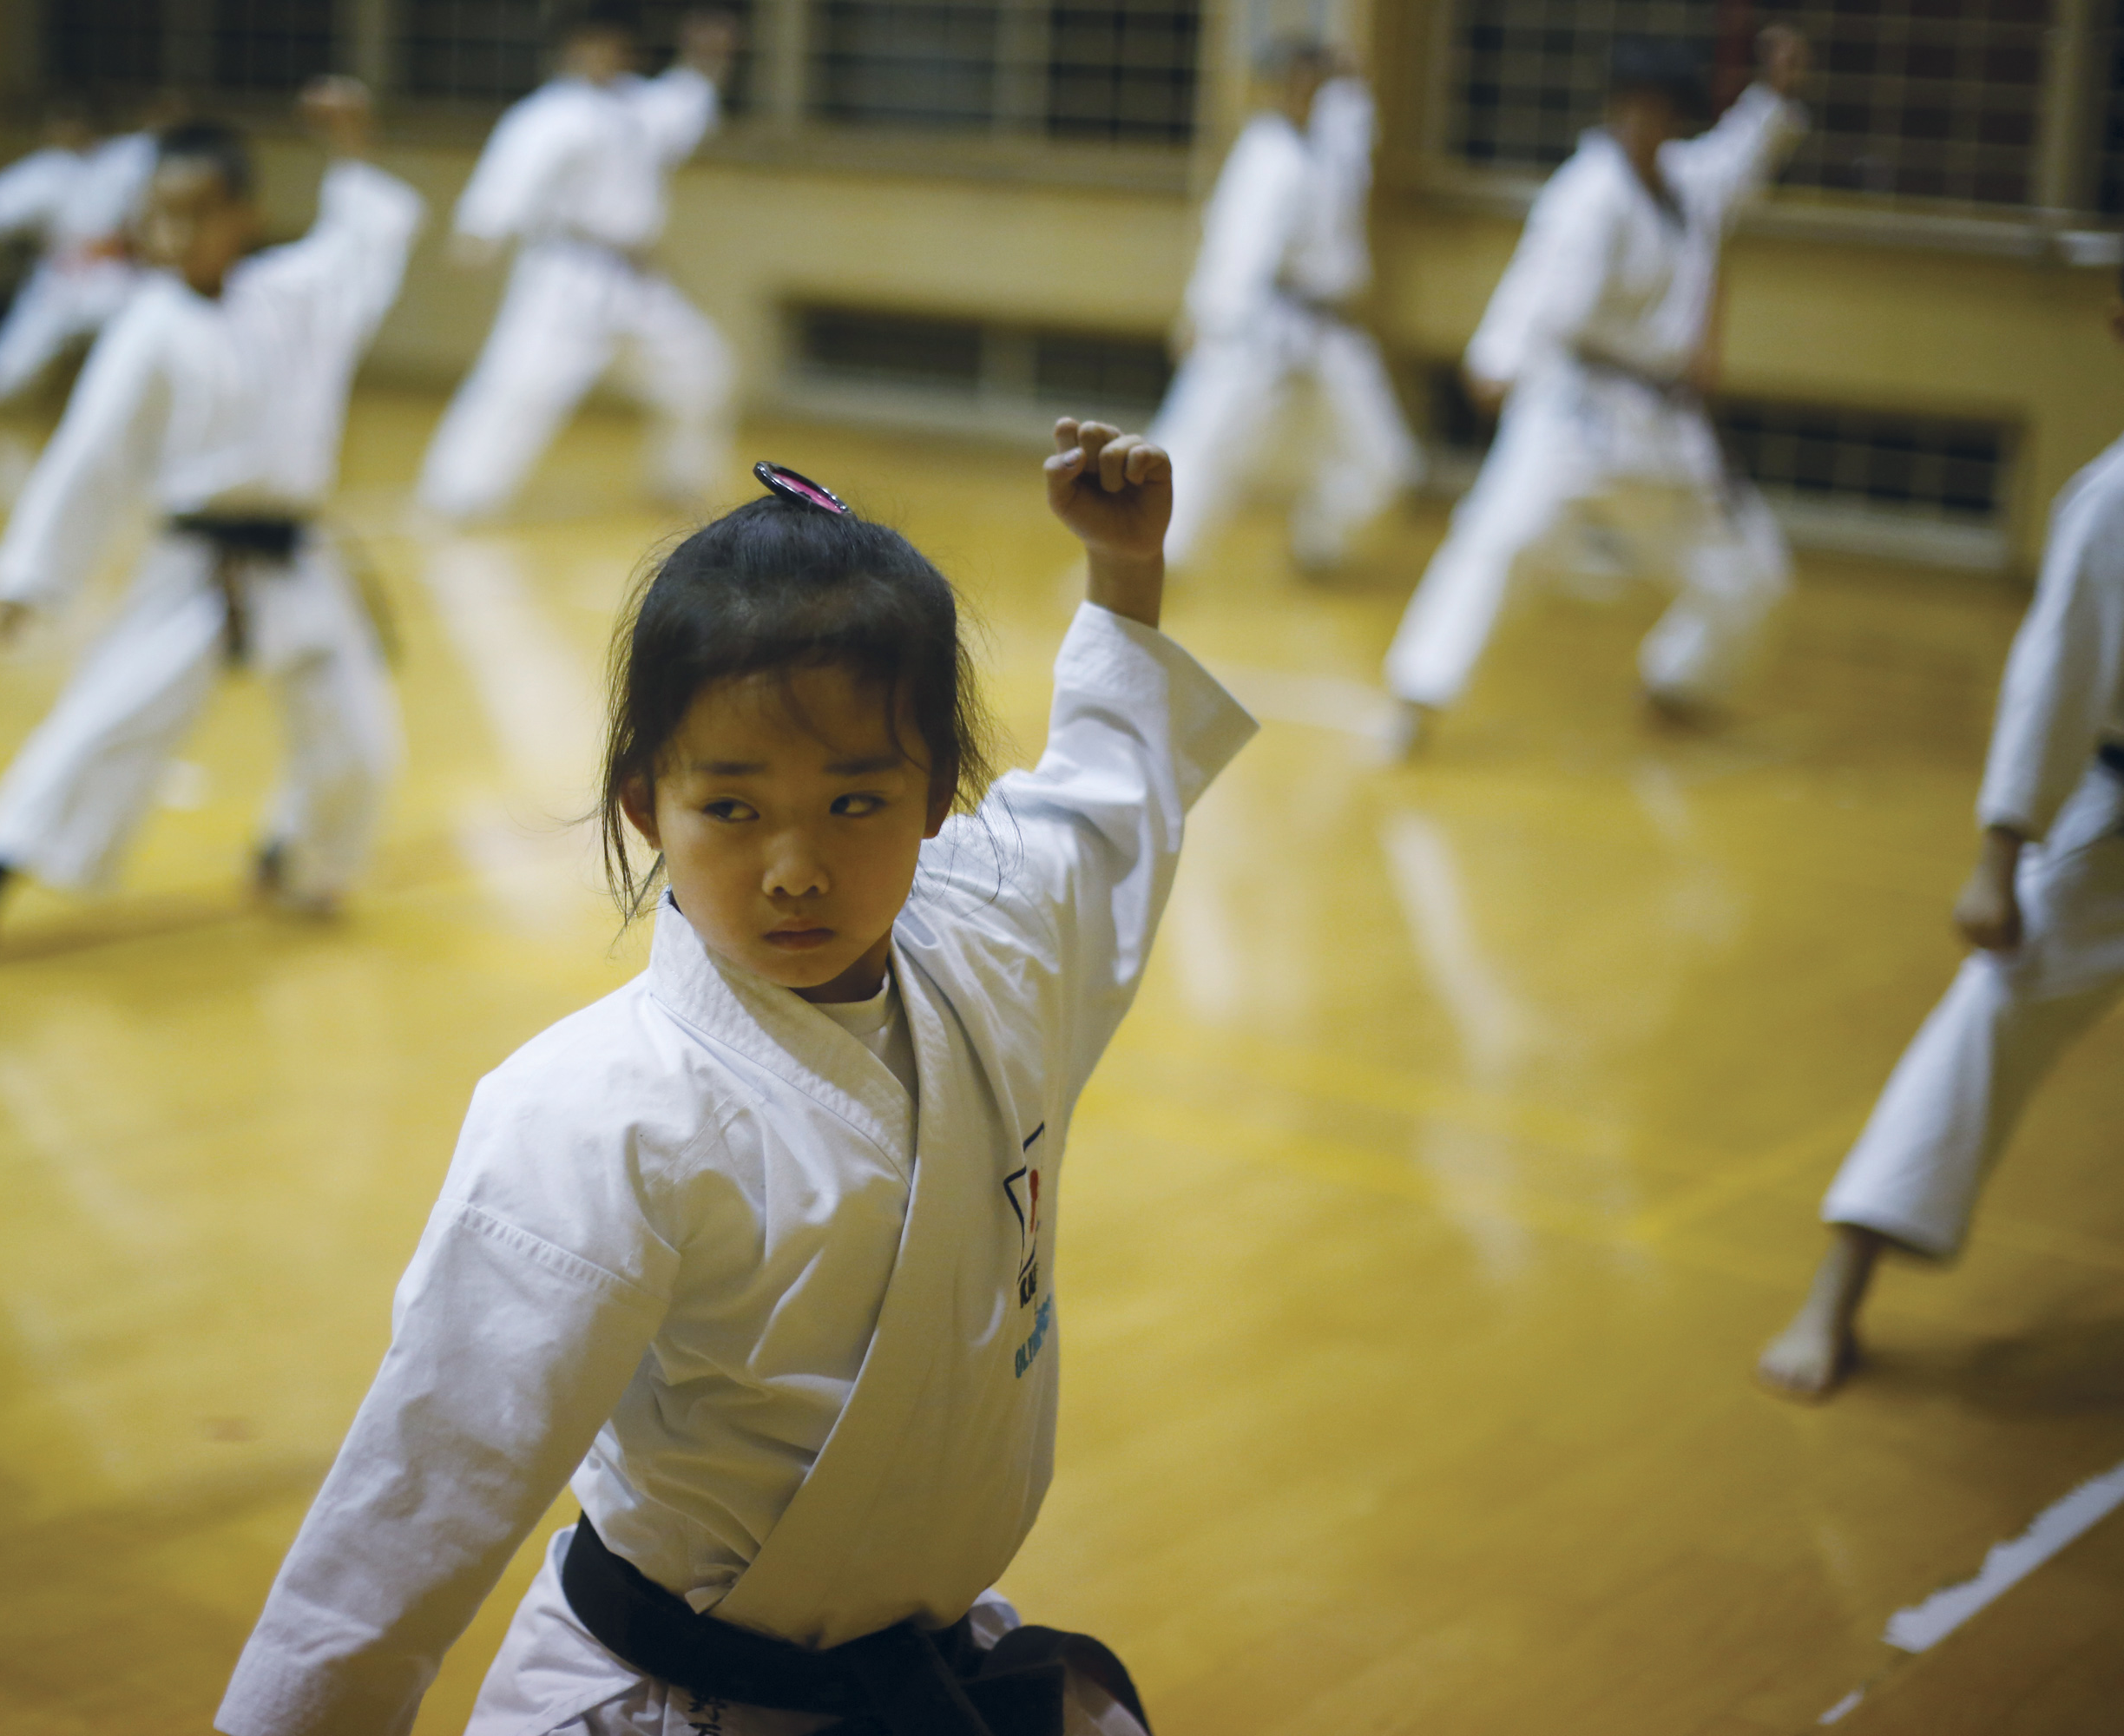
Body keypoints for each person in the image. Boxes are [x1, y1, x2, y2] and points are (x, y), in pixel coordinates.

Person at [214, 424, 1256, 1736]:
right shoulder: (598, 1114)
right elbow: (424, 1486)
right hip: (673, 1702)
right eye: (737, 808)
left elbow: (1105, 804)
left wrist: (1123, 572)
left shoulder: (989, 940)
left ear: (937, 797)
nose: (796, 868)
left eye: (856, 804)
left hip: (928, 1669)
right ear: (648, 804)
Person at [0, 83, 423, 975]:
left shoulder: (296, 293)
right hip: (193, 563)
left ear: (244, 215)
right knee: (101, 722)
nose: (169, 237)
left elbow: (365, 243)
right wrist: (30, 580)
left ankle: (289, 855)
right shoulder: (146, 328)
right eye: (157, 218)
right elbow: (89, 459)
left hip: (298, 556)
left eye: (192, 216)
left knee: (358, 738)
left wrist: (352, 150)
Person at [1755, 290, 2124, 1403]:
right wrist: (1998, 857)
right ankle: (1836, 1292)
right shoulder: (2112, 500)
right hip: (2117, 823)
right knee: (1993, 1006)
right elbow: (2053, 681)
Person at [1381, 28, 1811, 758]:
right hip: (1576, 409)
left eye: (1660, 111)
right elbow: (1540, 281)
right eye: (1633, 108)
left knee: (1753, 574)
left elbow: (1743, 151)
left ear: (1676, 117)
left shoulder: (1687, 182)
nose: (1644, 123)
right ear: (1616, 108)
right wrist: (1498, 357)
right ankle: (1418, 695)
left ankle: (1682, 681)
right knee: (1502, 539)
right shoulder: (1589, 194)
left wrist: (1776, 90)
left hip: (1668, 429)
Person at [413, 0, 738, 523]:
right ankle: (457, 496)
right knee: (519, 383)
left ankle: (681, 481)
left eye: (614, 42)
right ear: (570, 48)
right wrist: (480, 231)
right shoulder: (549, 114)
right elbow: (509, 176)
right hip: (564, 274)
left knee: (701, 369)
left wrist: (707, 56)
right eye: (592, 41)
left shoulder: (639, 106)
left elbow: (688, 100)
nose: (604, 52)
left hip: (633, 277)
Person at [1148, 39, 1417, 575]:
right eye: (1292, 82)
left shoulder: (1332, 145)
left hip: (1331, 330)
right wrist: (1207, 318)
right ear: (1273, 90)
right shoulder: (1267, 154)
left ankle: (1320, 540)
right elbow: (1235, 249)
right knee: (1202, 440)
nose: (1304, 92)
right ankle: (1151, 557)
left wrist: (1352, 77)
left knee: (1388, 462)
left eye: (1313, 81)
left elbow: (1360, 122)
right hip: (1262, 324)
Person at [0, 94, 156, 408]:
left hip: (123, 274)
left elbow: (169, 148)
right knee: (11, 361)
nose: (65, 131)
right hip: (63, 277)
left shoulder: (130, 156)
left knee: (145, 338)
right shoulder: (46, 170)